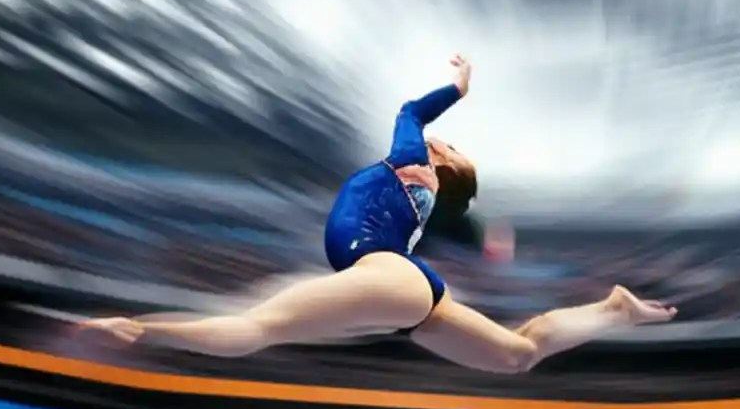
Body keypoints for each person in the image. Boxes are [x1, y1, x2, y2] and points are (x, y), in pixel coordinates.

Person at [81, 55, 676, 373]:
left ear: (441, 161)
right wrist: (488, 241)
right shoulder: (426, 205)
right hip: (402, 291)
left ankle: (140, 329)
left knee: (260, 325)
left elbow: (411, 112)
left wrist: (457, 90)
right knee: (515, 356)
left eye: (447, 147)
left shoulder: (411, 162)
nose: (438, 144)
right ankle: (611, 312)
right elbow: (467, 234)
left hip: (386, 277)